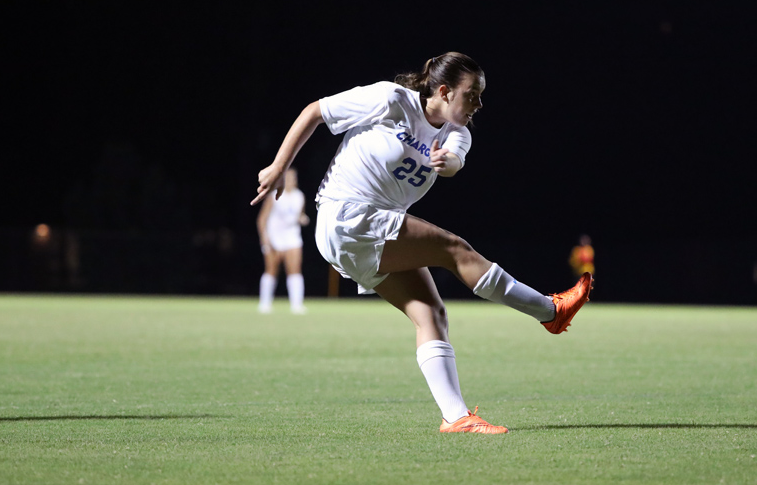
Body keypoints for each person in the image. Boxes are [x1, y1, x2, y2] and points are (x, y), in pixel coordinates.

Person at [251, 52, 593, 435]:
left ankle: (456, 417)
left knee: (431, 314)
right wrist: (279, 166)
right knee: (454, 249)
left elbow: (455, 161)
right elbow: (315, 111)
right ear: (444, 92)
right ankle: (550, 311)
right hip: (347, 215)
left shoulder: (457, 133)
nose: (479, 104)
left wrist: (449, 163)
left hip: (366, 236)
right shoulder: (391, 99)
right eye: (473, 94)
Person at [256, 168, 311, 314]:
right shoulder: (274, 195)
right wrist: (265, 238)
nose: (290, 181)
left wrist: (302, 219)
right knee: (271, 270)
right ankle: (264, 303)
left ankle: (297, 305)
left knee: (295, 269)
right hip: (274, 236)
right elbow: (262, 219)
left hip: (292, 236)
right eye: (287, 178)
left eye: (293, 178)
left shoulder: (299, 196)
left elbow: (299, 215)